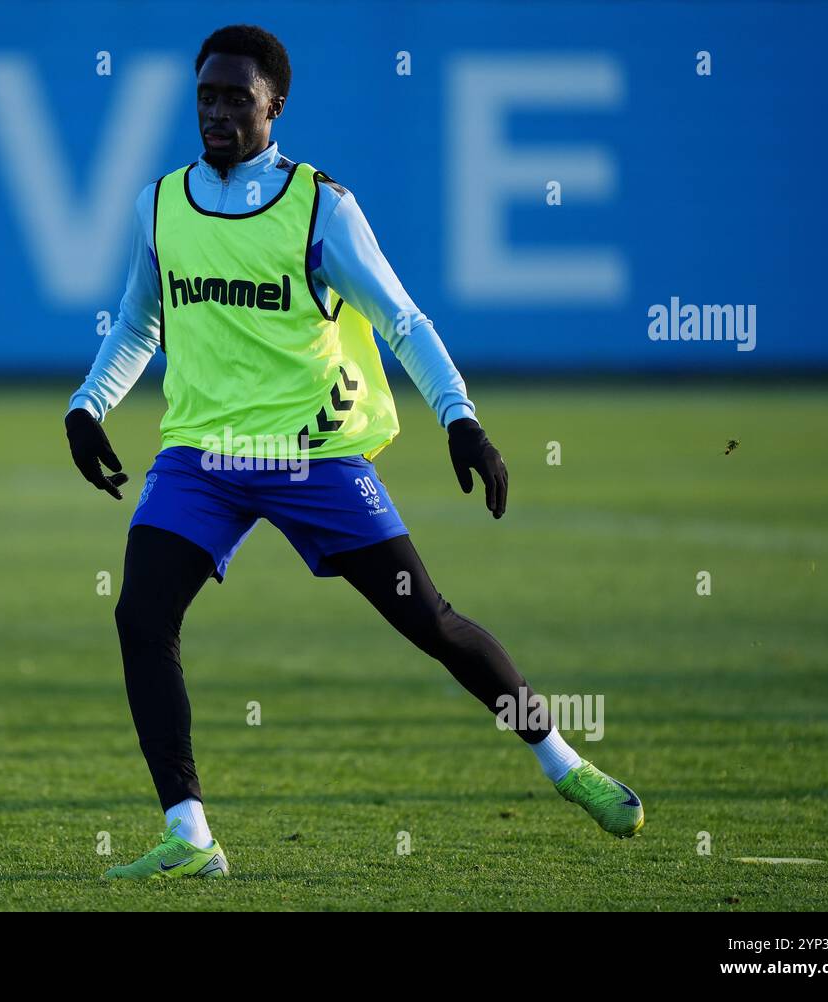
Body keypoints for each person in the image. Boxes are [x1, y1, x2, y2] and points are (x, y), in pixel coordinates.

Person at [64, 24, 643, 880]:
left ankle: (565, 761)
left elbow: (403, 321)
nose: (217, 113)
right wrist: (87, 405)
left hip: (313, 462)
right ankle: (190, 833)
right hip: (201, 459)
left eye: (236, 98)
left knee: (432, 622)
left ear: (275, 108)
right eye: (206, 97)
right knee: (140, 619)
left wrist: (461, 420)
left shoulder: (320, 207)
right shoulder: (161, 204)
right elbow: (137, 323)